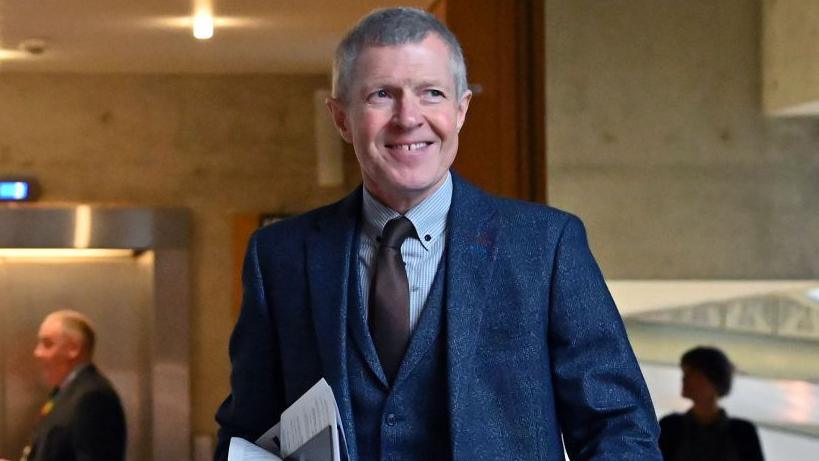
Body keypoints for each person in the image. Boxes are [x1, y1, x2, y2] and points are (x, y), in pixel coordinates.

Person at [215, 7, 660, 460]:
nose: (408, 118)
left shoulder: (546, 246)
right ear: (341, 118)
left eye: (431, 93)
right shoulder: (280, 256)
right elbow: (248, 432)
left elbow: (620, 428)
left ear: (461, 109)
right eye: (381, 95)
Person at [1, 310, 126, 461]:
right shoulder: (66, 392)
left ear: (73, 349)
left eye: (47, 344)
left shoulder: (92, 397)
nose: (37, 353)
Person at [659, 346, 764, 461]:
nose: (684, 379)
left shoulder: (743, 433)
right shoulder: (670, 426)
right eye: (685, 373)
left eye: (693, 373)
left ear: (714, 380)